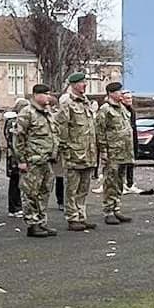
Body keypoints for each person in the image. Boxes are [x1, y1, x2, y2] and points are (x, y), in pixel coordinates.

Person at [15, 84, 61, 236]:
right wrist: (21, 160)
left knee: (44, 192)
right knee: (30, 193)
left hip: (47, 159)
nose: (48, 97)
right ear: (36, 95)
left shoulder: (47, 112)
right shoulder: (27, 113)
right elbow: (19, 138)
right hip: (32, 160)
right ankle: (32, 223)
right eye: (45, 94)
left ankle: (41, 222)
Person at [55, 72, 98, 227]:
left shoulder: (85, 102)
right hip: (74, 154)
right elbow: (62, 128)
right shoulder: (67, 103)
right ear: (73, 85)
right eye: (81, 82)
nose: (85, 84)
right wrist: (66, 151)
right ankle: (72, 218)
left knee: (83, 188)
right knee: (72, 188)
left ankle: (81, 216)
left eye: (85, 82)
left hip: (88, 153)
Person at [96, 82, 135, 224]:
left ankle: (116, 208)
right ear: (111, 93)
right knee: (110, 182)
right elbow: (100, 131)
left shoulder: (122, 108)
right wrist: (103, 151)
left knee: (119, 182)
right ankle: (108, 211)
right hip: (112, 152)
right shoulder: (105, 109)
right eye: (118, 92)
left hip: (124, 152)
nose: (121, 94)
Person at [4, 98, 29, 217]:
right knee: (15, 182)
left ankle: (18, 205)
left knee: (19, 182)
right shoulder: (13, 122)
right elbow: (13, 140)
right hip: (14, 156)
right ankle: (14, 207)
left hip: (17, 155)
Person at [119, 90, 142, 195]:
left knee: (131, 163)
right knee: (122, 165)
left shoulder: (132, 111)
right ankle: (122, 185)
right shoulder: (120, 110)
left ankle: (130, 183)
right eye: (128, 98)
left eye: (131, 98)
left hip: (132, 139)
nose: (130, 100)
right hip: (122, 141)